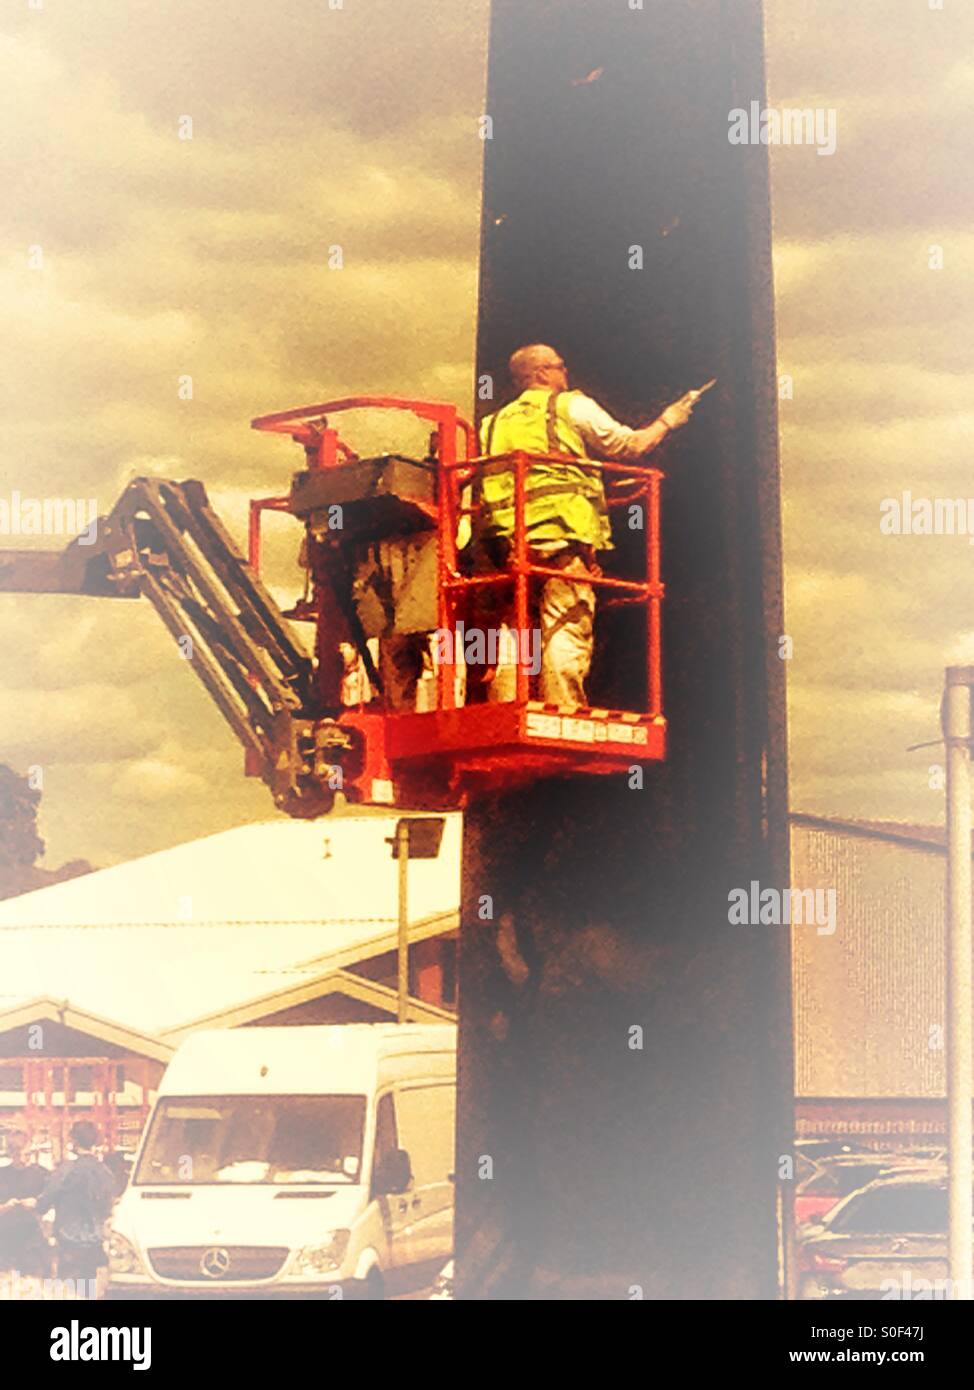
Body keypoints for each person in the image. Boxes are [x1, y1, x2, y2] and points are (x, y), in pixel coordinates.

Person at [476, 343, 700, 707]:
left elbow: (532, 474)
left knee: (515, 635)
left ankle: (505, 713)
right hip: (562, 536)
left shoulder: (492, 423)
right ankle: (563, 715)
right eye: (560, 366)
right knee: (565, 628)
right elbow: (628, 445)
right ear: (541, 374)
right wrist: (668, 420)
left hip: (509, 545)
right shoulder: (570, 406)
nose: (566, 373)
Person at [27, 1121, 116, 1292]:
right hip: (94, 1244)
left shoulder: (66, 1171)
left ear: (73, 1140)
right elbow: (108, 1206)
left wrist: (32, 1203)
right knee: (88, 1290)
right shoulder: (105, 1173)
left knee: (69, 1292)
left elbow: (43, 1204)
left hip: (69, 1243)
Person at [0, 1129, 46, 1210]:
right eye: (17, 1155)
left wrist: (37, 1204)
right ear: (10, 1153)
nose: (22, 1160)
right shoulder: (2, 1175)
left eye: (27, 1155)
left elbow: (51, 1205)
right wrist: (5, 1207)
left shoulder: (42, 1174)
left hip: (31, 1221)